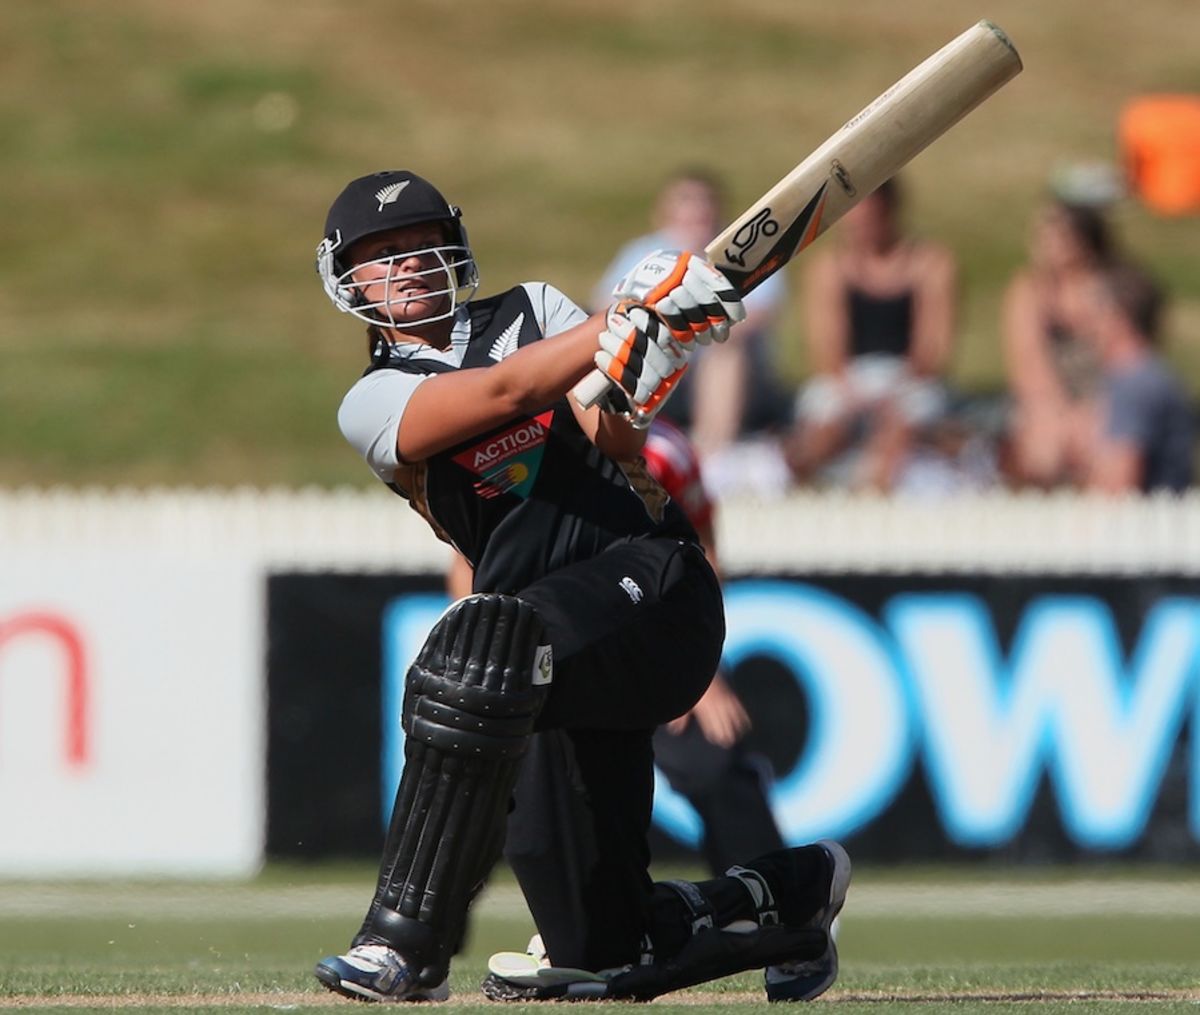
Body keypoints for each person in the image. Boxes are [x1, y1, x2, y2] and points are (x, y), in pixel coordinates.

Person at [309, 169, 850, 1004]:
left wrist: (653, 346)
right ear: (349, 281)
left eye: (418, 244)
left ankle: (403, 944)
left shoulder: (533, 310)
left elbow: (612, 431)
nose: (406, 265)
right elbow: (506, 390)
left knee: (475, 650)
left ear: (453, 245)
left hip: (651, 584)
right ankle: (789, 892)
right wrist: (622, 319)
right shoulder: (373, 402)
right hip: (545, 663)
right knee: (602, 948)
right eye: (380, 255)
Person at [448, 416, 785, 879]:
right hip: (542, 651)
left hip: (636, 644)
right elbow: (470, 559)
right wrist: (488, 650)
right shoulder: (522, 448)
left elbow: (699, 550)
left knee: (712, 757)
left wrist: (698, 660)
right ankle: (426, 935)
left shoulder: (666, 453)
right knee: (486, 793)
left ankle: (782, 906)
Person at [593, 168, 794, 495]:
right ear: (666, 212)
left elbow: (759, 314)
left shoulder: (744, 255)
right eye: (687, 202)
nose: (698, 212)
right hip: (658, 361)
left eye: (705, 203)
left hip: (727, 366)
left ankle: (712, 454)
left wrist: (691, 324)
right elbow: (604, 309)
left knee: (724, 352)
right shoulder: (641, 254)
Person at [786, 176, 959, 492]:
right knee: (823, 426)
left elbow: (933, 346)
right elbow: (826, 347)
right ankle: (801, 482)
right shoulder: (831, 267)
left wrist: (892, 392)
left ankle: (876, 488)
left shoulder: (929, 263)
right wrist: (853, 393)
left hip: (909, 377)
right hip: (848, 378)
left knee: (900, 423)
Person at [1000, 198, 1117, 488]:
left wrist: (1090, 410)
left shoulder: (1107, 288)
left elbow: (1119, 357)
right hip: (1046, 401)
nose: (1045, 242)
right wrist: (1062, 414)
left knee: (1108, 441)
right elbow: (1029, 364)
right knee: (1044, 446)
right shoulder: (1030, 290)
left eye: (1056, 234)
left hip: (1101, 396)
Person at [1076, 264, 1194, 493]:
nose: (1085, 328)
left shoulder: (1134, 384)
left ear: (1119, 319)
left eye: (1094, 316)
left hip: (1141, 525)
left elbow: (1119, 485)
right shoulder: (1148, 376)